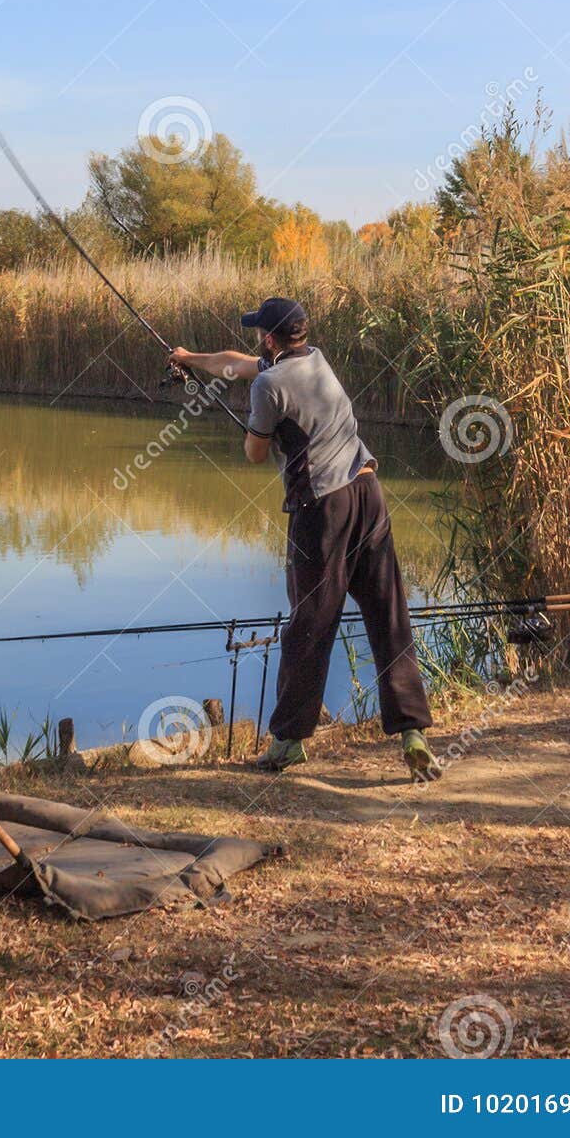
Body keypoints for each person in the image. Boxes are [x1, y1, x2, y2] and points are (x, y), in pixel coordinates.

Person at [172, 297, 442, 781]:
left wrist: (260, 424)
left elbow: (255, 453)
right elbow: (235, 364)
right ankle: (413, 732)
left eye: (260, 332)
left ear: (271, 339)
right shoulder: (315, 359)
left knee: (310, 624)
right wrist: (190, 359)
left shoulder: (269, 385)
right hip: (369, 492)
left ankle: (288, 742)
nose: (258, 340)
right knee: (388, 612)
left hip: (323, 509)